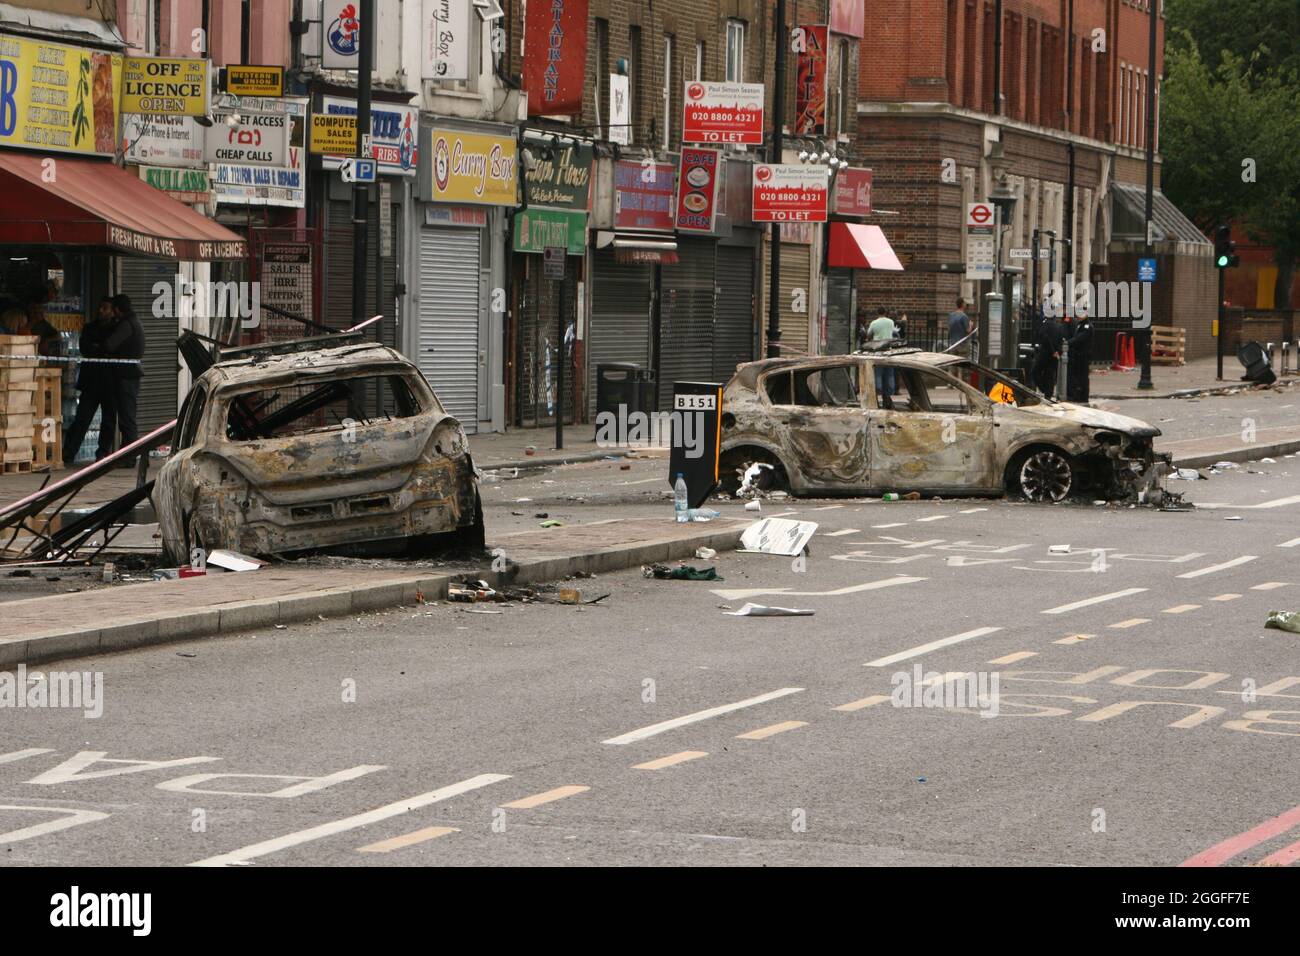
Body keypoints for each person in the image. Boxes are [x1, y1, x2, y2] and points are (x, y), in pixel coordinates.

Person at [62, 297, 118, 467]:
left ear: (113, 311)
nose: (101, 310)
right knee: (82, 418)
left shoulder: (117, 328)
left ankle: (102, 455)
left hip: (110, 381)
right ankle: (69, 452)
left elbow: (112, 348)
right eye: (100, 307)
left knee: (108, 420)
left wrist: (100, 348)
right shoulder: (89, 328)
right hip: (91, 381)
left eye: (105, 308)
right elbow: (86, 348)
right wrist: (101, 349)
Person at [102, 293, 145, 468]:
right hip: (127, 375)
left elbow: (109, 345)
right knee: (127, 417)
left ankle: (129, 456)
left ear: (118, 310)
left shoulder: (126, 325)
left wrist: (100, 347)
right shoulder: (133, 322)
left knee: (127, 419)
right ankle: (126, 454)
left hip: (126, 376)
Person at [866, 307, 898, 401]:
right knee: (889, 373)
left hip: (877, 350)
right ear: (885, 312)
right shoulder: (891, 322)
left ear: (877, 313)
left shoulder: (874, 323)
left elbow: (869, 335)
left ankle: (877, 390)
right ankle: (888, 393)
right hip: (888, 349)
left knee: (878, 373)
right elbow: (894, 332)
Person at [1032, 312, 1064, 397]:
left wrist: (1052, 350)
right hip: (1054, 356)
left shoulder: (1045, 324)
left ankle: (1044, 388)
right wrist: (1057, 352)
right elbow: (1061, 341)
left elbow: (1044, 338)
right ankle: (1048, 394)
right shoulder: (1059, 326)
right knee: (1049, 375)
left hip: (1045, 353)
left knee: (1035, 372)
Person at [1066, 305, 1093, 403]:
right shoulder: (1079, 324)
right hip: (1077, 355)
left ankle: (1083, 397)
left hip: (1083, 355)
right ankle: (1077, 395)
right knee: (1076, 376)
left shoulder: (1087, 326)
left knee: (1083, 377)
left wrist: (1068, 342)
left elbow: (1079, 338)